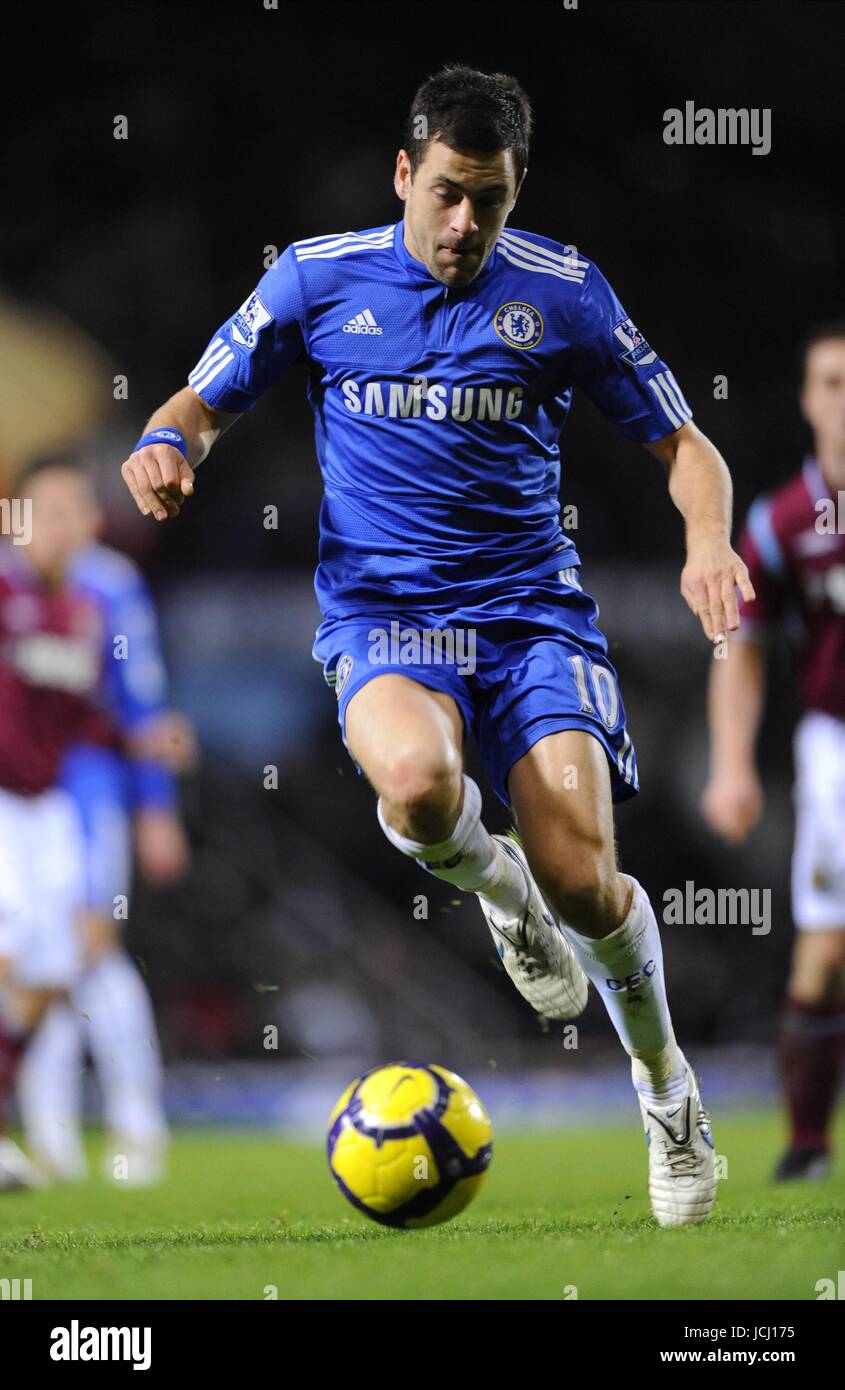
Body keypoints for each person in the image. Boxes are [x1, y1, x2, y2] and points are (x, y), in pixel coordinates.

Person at [120, 65, 754, 1226]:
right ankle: (495, 886)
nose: (466, 224)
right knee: (415, 789)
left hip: (528, 622)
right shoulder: (316, 278)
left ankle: (665, 1088)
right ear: (404, 174)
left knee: (590, 884)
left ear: (517, 193)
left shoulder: (562, 293)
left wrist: (705, 541)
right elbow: (191, 409)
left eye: (492, 200)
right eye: (449, 193)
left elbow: (683, 443)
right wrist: (167, 452)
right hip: (382, 620)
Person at [14, 473, 194, 1185]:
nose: (56, 525)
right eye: (42, 512)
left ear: (94, 521)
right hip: (19, 795)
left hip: (87, 790)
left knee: (90, 947)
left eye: (70, 511)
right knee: (31, 958)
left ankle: (136, 1127)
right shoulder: (8, 586)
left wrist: (156, 809)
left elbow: (141, 709)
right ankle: (48, 1138)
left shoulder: (111, 589)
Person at [701, 324, 845, 1181]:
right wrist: (730, 763)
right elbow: (740, 645)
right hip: (835, 750)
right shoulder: (780, 521)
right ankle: (806, 1144)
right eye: (830, 382)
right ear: (805, 398)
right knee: (824, 954)